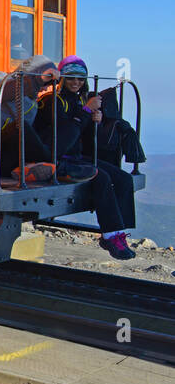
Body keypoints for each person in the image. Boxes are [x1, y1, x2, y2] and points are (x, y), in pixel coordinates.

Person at [35, 56, 138, 259]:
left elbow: (82, 136)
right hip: (56, 158)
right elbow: (63, 140)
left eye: (80, 79)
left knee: (124, 179)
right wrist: (85, 112)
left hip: (76, 157)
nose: (76, 83)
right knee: (102, 178)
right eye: (71, 78)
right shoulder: (51, 102)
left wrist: (95, 123)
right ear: (63, 78)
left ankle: (119, 233)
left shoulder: (80, 101)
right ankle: (110, 235)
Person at [0, 54, 59, 181]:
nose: (47, 87)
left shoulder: (33, 102)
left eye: (51, 84)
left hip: (7, 157)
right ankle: (57, 167)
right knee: (20, 127)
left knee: (52, 129)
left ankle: (31, 168)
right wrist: (37, 79)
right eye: (47, 82)